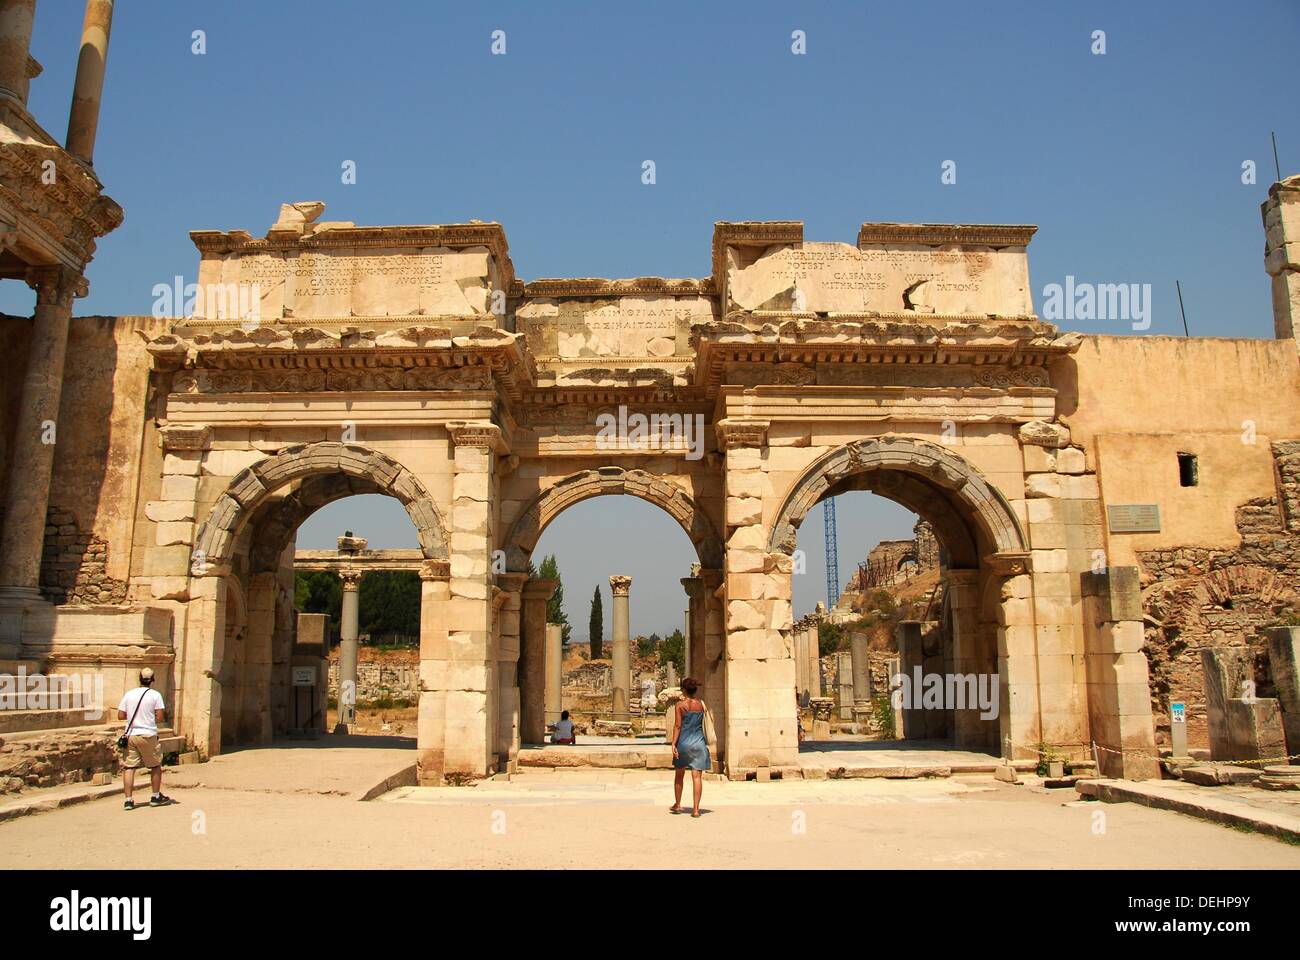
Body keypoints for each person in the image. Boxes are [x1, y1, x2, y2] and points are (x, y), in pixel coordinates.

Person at [116, 668, 173, 810]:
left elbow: (121, 715)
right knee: (155, 766)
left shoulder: (129, 694)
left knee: (129, 767)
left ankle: (128, 800)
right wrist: (148, 718)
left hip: (131, 735)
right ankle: (155, 796)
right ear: (153, 679)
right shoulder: (155, 695)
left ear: (139, 678)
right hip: (148, 734)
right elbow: (160, 717)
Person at [668, 677, 712, 818]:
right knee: (697, 777)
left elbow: (678, 725)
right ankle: (696, 809)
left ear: (684, 690)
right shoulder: (701, 704)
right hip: (699, 743)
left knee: (679, 775)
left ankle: (678, 804)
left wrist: (673, 743)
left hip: (684, 743)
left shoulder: (680, 705)